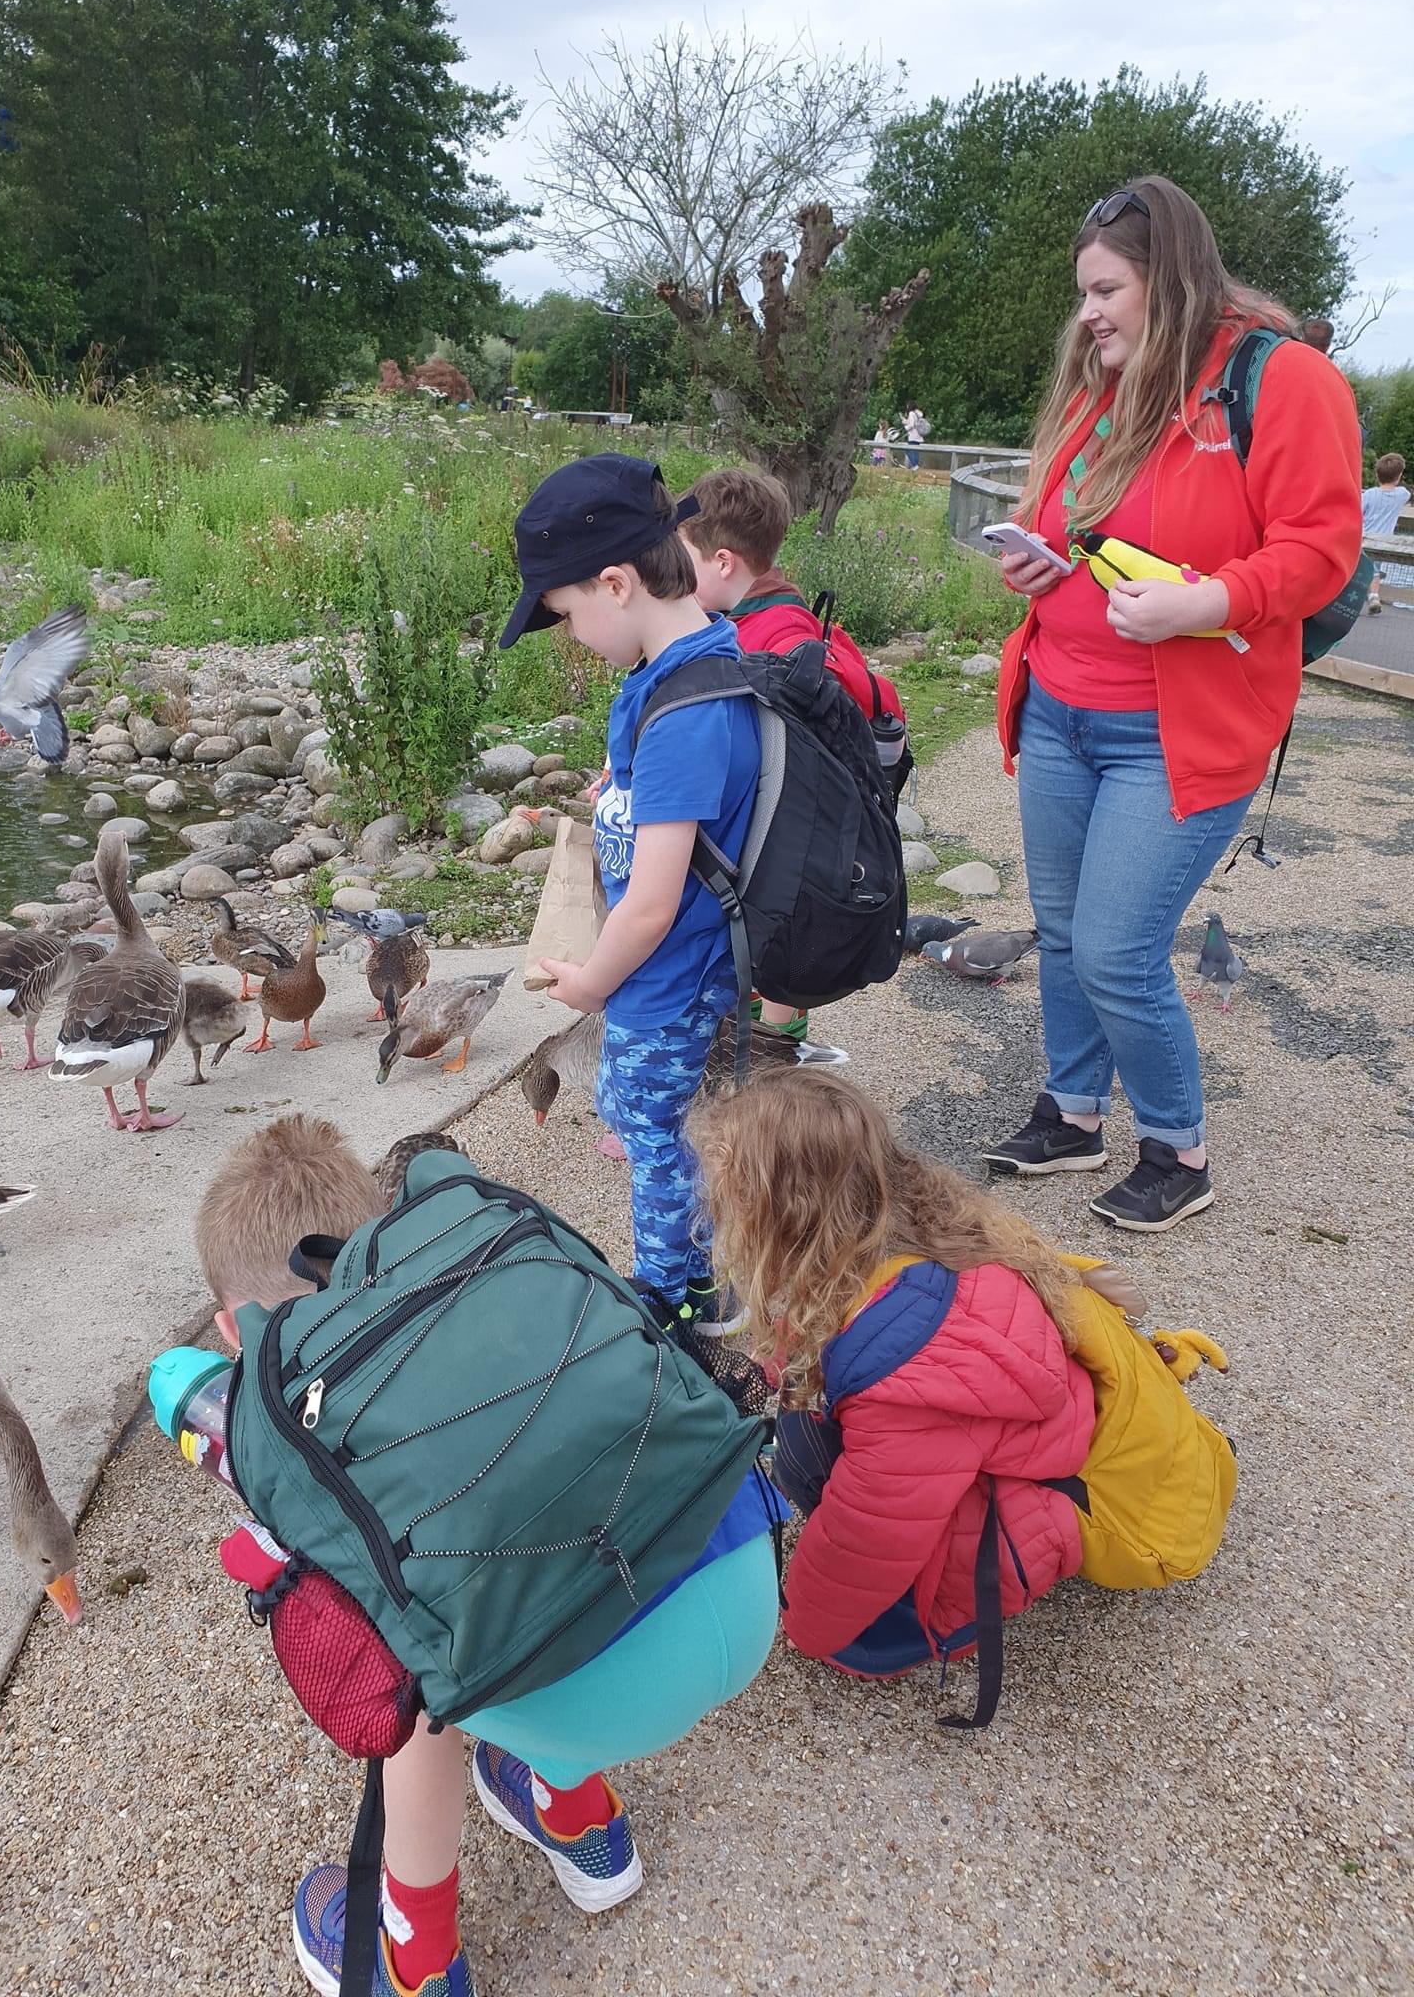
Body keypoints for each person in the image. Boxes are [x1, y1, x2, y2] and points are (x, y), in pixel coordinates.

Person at [194, 1117, 780, 1997]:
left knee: (409, 1671)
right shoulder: (475, 1262)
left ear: (232, 1334)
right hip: (743, 1576)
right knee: (544, 1536)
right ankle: (578, 1822)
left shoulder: (284, 1413)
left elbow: (349, 1649)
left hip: (600, 1695)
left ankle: (416, 1955)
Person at [987, 175, 1362, 1231]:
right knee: (1060, 931)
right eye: (1085, 293)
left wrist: (1205, 602)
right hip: (1062, 703)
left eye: (1107, 290)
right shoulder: (1111, 376)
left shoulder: (1279, 379)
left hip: (1176, 728)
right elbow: (1094, 526)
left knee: (1116, 945)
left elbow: (1320, 550)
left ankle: (1177, 1147)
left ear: (1172, 276)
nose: (1090, 312)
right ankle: (1070, 1111)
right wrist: (1045, 566)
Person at [688, 1071, 1093, 1677]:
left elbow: (867, 1541)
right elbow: (822, 1317)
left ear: (785, 1222)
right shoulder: (909, 1231)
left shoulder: (905, 1384)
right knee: (805, 1418)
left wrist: (798, 1622)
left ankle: (941, 1615)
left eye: (726, 1203)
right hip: (996, 1442)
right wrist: (776, 1367)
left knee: (855, 1642)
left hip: (1020, 1514)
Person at [499, 452, 761, 1321]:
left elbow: (650, 904)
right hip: (672, 966)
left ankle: (677, 1297)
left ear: (616, 583)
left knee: (652, 1136)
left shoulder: (685, 708)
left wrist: (589, 983)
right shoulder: (689, 665)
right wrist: (624, 789)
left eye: (566, 615)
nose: (572, 636)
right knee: (642, 1114)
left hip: (664, 974)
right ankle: (697, 1270)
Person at [681, 465, 910, 1040]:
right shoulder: (784, 613)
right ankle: (770, 1027)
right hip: (794, 812)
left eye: (683, 557)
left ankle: (777, 1040)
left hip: (789, 821)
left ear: (723, 561)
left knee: (773, 920)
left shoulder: (771, 636)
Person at [1361, 453, 1410, 613]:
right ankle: (1374, 596)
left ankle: (1360, 598)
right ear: (1399, 475)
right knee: (1375, 570)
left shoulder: (1369, 495)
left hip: (1365, 538)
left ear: (1377, 474)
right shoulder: (1401, 494)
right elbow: (1407, 493)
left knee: (1363, 568)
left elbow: (1359, 512)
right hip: (1385, 542)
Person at [902, 401, 929, 469]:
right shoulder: (917, 413)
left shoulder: (911, 413)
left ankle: (914, 465)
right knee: (915, 451)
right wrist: (906, 421)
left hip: (913, 435)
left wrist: (906, 427)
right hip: (918, 435)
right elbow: (914, 422)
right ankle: (915, 464)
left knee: (909, 450)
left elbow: (912, 425)